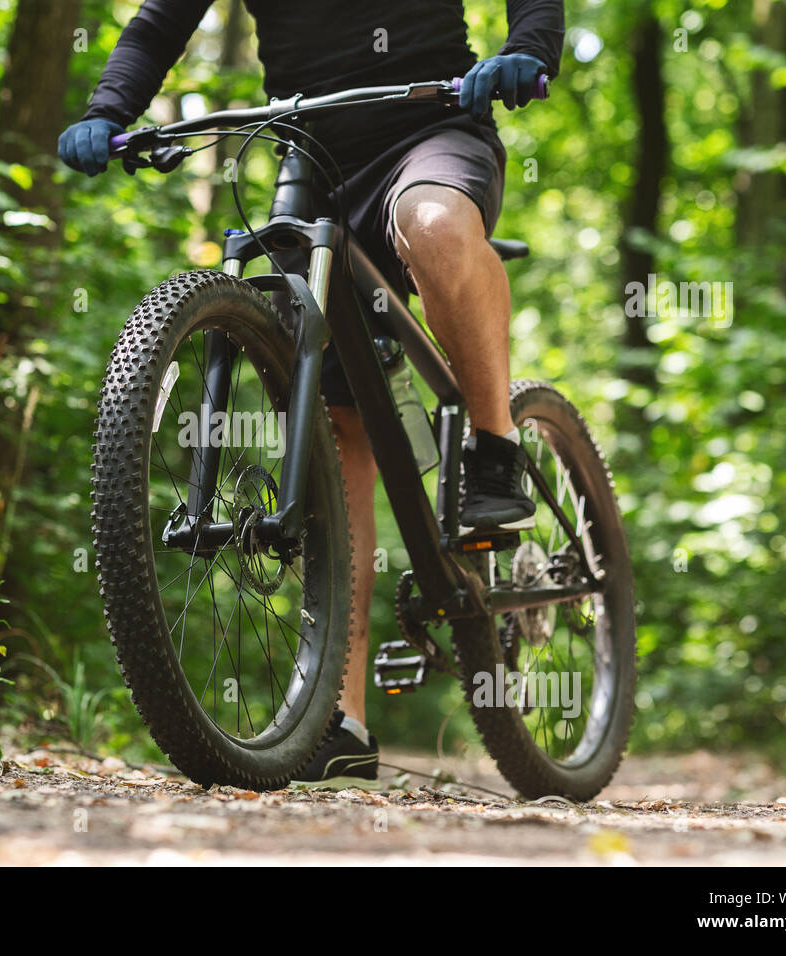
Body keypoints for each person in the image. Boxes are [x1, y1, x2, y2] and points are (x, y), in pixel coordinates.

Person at [59, 0, 563, 788]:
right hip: (309, 153)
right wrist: (109, 110)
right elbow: (160, 21)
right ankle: (342, 719)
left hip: (431, 120)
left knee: (431, 224)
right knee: (333, 422)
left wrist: (528, 48)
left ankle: (493, 444)